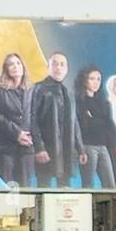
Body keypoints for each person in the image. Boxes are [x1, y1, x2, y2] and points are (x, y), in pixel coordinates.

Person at [31, 51, 86, 188]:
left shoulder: (68, 93)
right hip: (47, 150)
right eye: (54, 64)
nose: (58, 68)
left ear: (66, 69)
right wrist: (39, 148)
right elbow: (32, 120)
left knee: (65, 192)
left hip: (66, 151)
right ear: (48, 67)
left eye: (62, 64)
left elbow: (75, 123)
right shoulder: (39, 89)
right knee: (44, 189)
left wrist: (81, 149)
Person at [0, 53, 36, 186]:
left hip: (26, 146)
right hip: (5, 146)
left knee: (26, 187)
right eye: (11, 64)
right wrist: (17, 133)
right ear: (6, 69)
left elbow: (33, 115)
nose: (15, 66)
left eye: (18, 63)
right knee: (7, 187)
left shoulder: (31, 90)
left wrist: (28, 136)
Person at [75, 65, 116, 189]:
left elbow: (108, 123)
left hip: (103, 146)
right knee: (88, 185)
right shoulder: (78, 101)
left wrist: (95, 119)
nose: (96, 82)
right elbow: (82, 124)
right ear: (84, 80)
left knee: (110, 185)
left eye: (98, 79)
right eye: (92, 78)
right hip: (87, 146)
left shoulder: (103, 102)